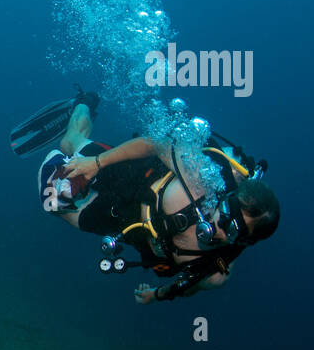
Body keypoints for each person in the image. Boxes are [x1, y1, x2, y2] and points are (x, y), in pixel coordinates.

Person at [32, 97, 279, 304]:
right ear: (227, 198)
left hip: (131, 227)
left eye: (233, 230)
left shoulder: (215, 271)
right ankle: (84, 102)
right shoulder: (199, 179)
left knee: (55, 208)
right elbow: (156, 144)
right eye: (226, 212)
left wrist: (154, 296)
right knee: (68, 144)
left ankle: (60, 193)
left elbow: (186, 285)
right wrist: (96, 163)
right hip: (133, 177)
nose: (218, 227)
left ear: (245, 240)